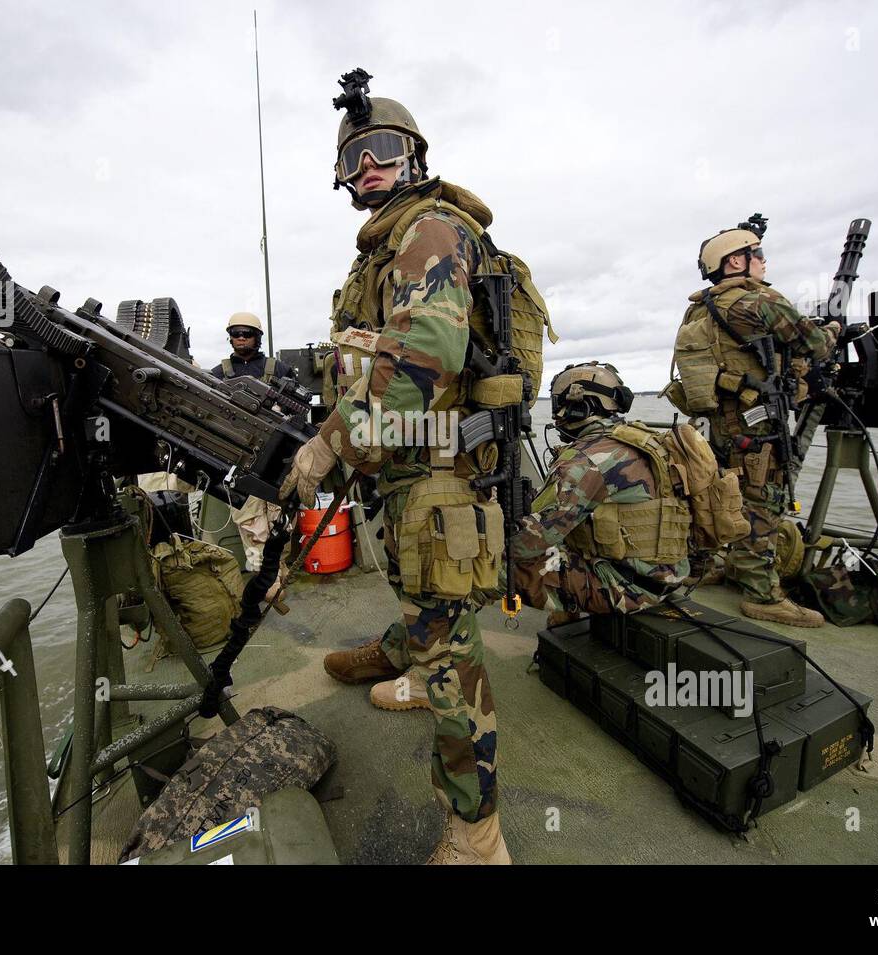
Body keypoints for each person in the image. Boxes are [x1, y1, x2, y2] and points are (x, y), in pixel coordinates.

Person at [278, 70, 511, 865]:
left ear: (414, 156)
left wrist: (328, 443)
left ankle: (478, 836)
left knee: (451, 652)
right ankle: (404, 660)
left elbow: (424, 356)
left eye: (381, 150)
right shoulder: (381, 247)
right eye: (352, 158)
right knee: (421, 605)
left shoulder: (431, 230)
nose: (366, 166)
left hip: (438, 471)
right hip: (403, 469)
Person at [684, 225, 840, 627]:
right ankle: (762, 595)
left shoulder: (700, 308)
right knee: (761, 499)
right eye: (758, 252)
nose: (764, 260)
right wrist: (835, 330)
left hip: (716, 420)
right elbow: (813, 343)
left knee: (715, 493)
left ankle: (713, 565)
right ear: (735, 261)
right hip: (755, 424)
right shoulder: (759, 301)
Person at [508, 362, 693, 619]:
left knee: (496, 564)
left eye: (558, 405)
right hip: (667, 574)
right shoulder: (644, 439)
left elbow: (524, 545)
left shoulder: (586, 460)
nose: (556, 416)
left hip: (628, 589)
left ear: (578, 405)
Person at [211, 312, 295, 571]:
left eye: (246, 333)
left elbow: (297, 412)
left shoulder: (278, 370)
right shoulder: (219, 373)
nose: (241, 339)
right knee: (248, 518)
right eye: (235, 334)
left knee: (279, 517)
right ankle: (263, 578)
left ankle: (280, 569)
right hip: (237, 458)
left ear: (257, 337)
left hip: (274, 459)